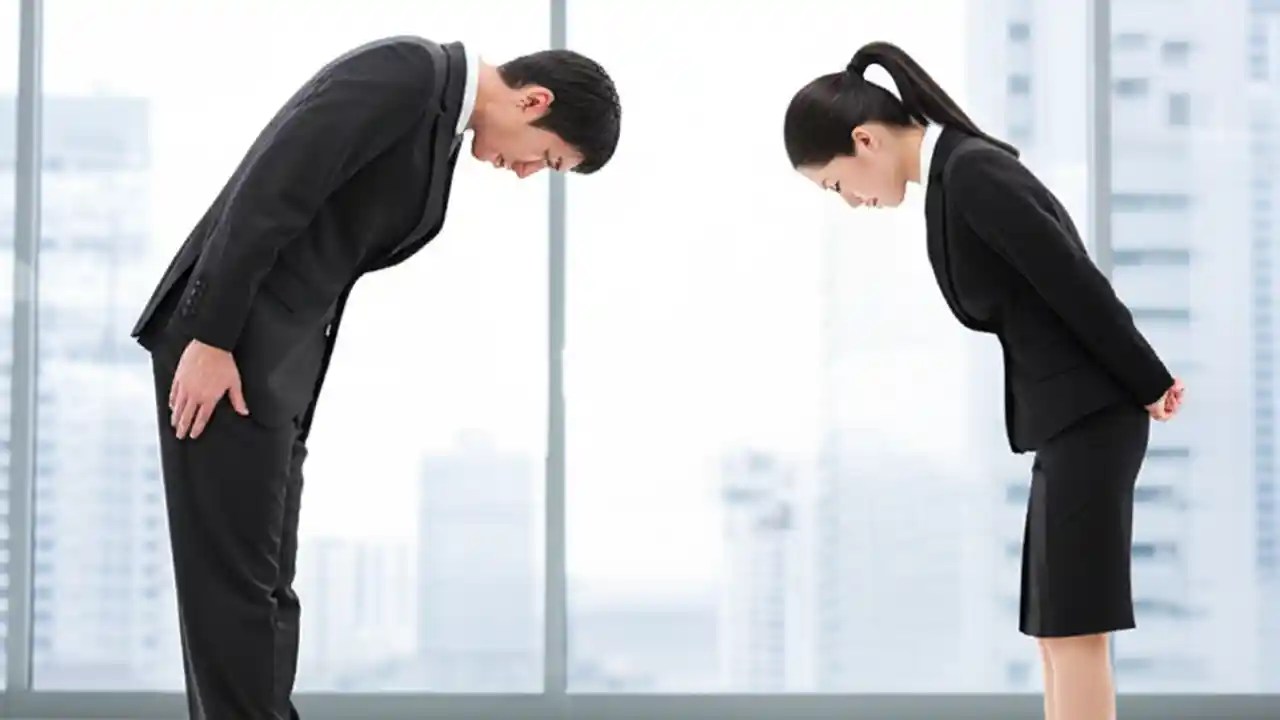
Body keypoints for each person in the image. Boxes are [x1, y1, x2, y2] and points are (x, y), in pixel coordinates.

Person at [130, 36, 620, 719]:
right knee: (233, 591)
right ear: (535, 101)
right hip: (225, 356)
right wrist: (210, 338)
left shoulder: (437, 120)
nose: (526, 172)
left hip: (274, 371)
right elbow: (270, 192)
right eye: (550, 158)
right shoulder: (406, 74)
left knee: (268, 587)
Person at [783, 41, 1184, 720]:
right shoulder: (954, 177)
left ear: (864, 139)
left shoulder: (971, 174)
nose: (849, 202)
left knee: (1075, 630)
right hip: (1068, 424)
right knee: (1055, 633)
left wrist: (1149, 378)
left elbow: (1073, 282)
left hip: (1092, 417)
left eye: (836, 183)